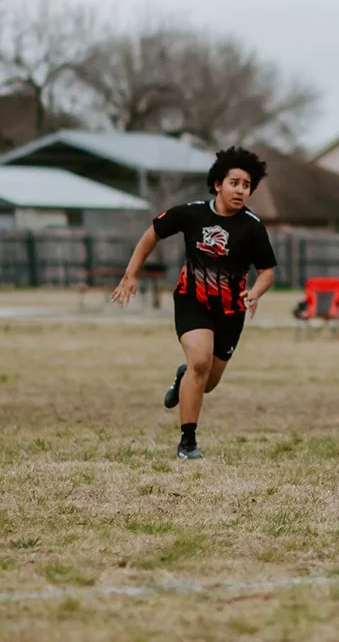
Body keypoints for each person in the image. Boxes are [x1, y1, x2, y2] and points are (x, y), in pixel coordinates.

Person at [112, 147, 277, 461]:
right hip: (193, 301)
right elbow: (152, 234)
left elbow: (268, 271)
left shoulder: (252, 227)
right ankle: (187, 443)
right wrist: (130, 274)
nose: (241, 190)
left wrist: (255, 292)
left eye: (246, 185)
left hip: (230, 311)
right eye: (235, 182)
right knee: (200, 363)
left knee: (208, 382)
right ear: (217, 184)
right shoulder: (191, 213)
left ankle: (182, 376)